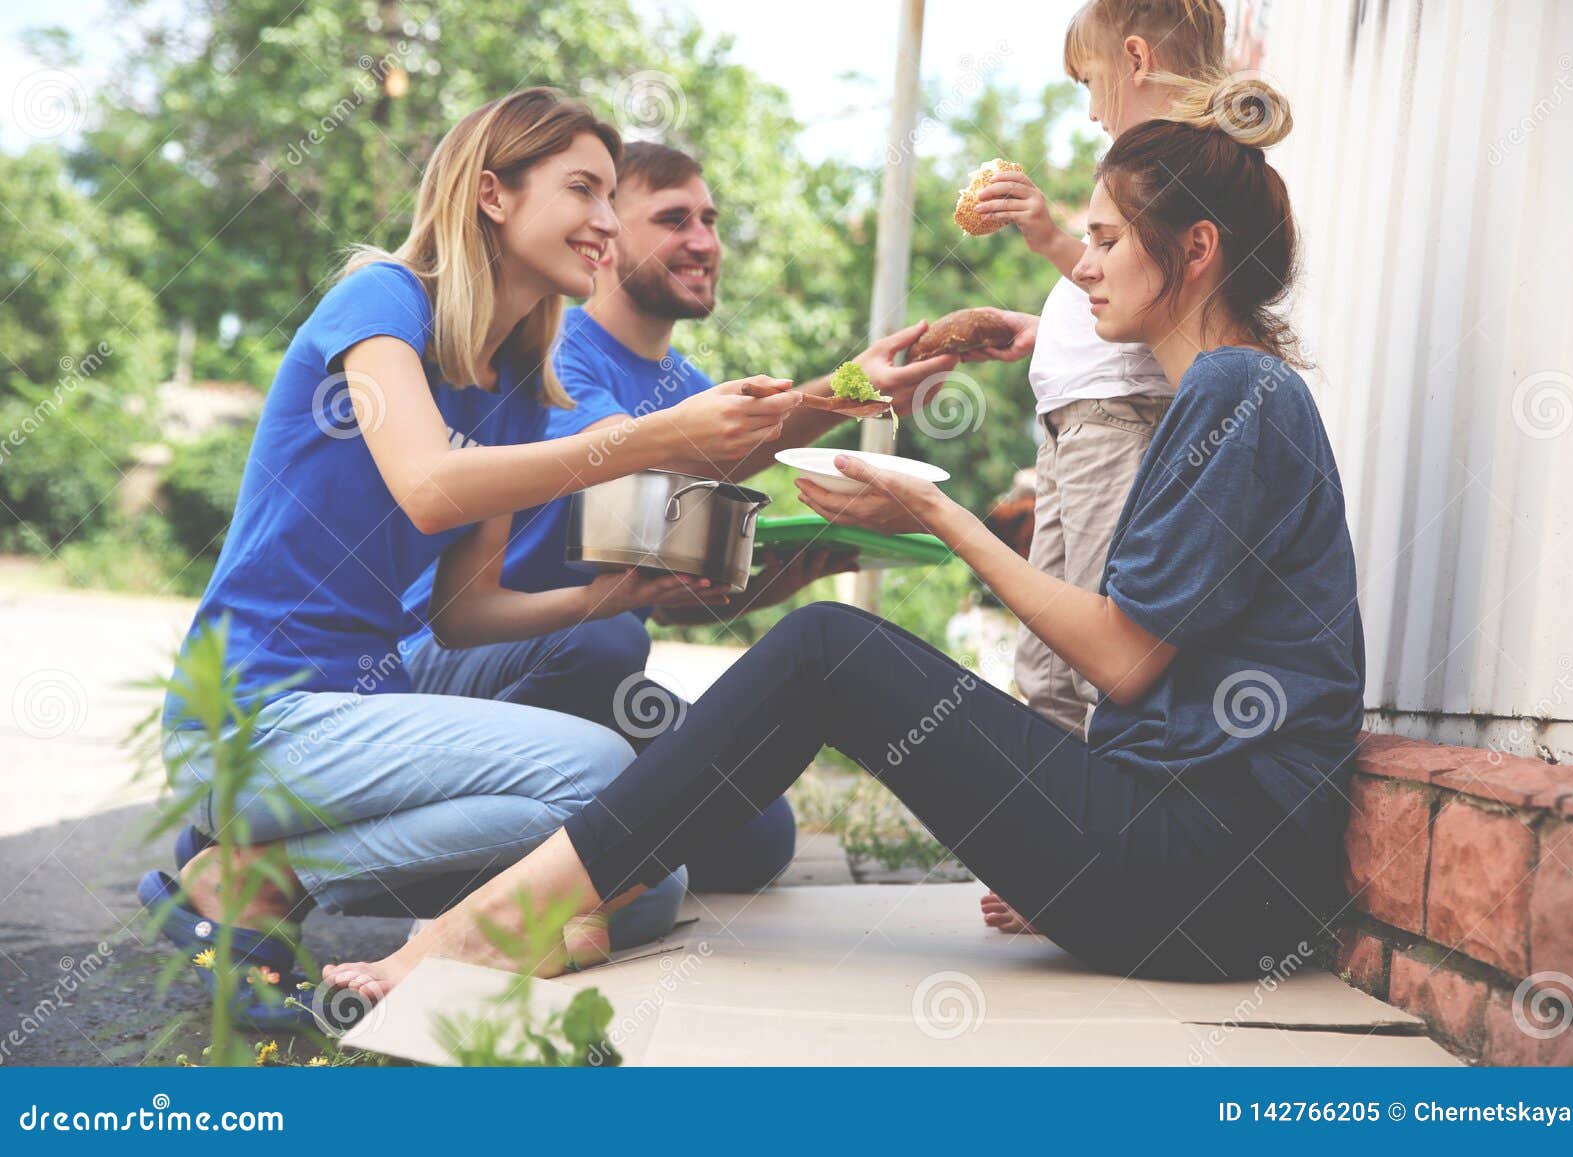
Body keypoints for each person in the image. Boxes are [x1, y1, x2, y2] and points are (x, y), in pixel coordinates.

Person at [323, 74, 1367, 1000]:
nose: (1079, 266)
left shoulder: (1238, 391)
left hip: (1209, 876)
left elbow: (1124, 658)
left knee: (829, 651)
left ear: (1195, 250)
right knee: (816, 672)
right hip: (1189, 864)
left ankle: (492, 920)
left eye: (1102, 239)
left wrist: (935, 515)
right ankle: (569, 895)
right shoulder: (1221, 395)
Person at [143, 88, 807, 1021]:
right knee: (604, 776)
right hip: (249, 720)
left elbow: (462, 612)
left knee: (645, 874)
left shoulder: (514, 383)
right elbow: (425, 481)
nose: (607, 223)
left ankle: (327, 890)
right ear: (493, 194)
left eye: (613, 198)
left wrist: (607, 595)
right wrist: (651, 438)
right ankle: (257, 876)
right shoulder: (381, 303)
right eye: (584, 190)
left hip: (354, 710)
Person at [397, 140, 960, 893]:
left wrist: (780, 578)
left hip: (582, 658)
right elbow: (644, 460)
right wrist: (847, 390)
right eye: (672, 219)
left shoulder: (684, 382)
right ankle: (456, 844)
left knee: (758, 831)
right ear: (604, 232)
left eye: (710, 219)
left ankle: (549, 848)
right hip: (452, 654)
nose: (703, 241)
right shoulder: (557, 351)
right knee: (603, 642)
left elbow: (665, 590)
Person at [953, 0, 1234, 745]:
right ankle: (1042, 836)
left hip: (1116, 427)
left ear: (1137, 60)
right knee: (1045, 664)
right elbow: (1123, 305)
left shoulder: (1173, 163)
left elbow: (1163, 295)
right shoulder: (1149, 161)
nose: (1088, 112)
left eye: (1090, 81)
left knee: (1092, 648)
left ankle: (1102, 833)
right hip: (1077, 430)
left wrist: (1046, 235)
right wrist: (1049, 332)